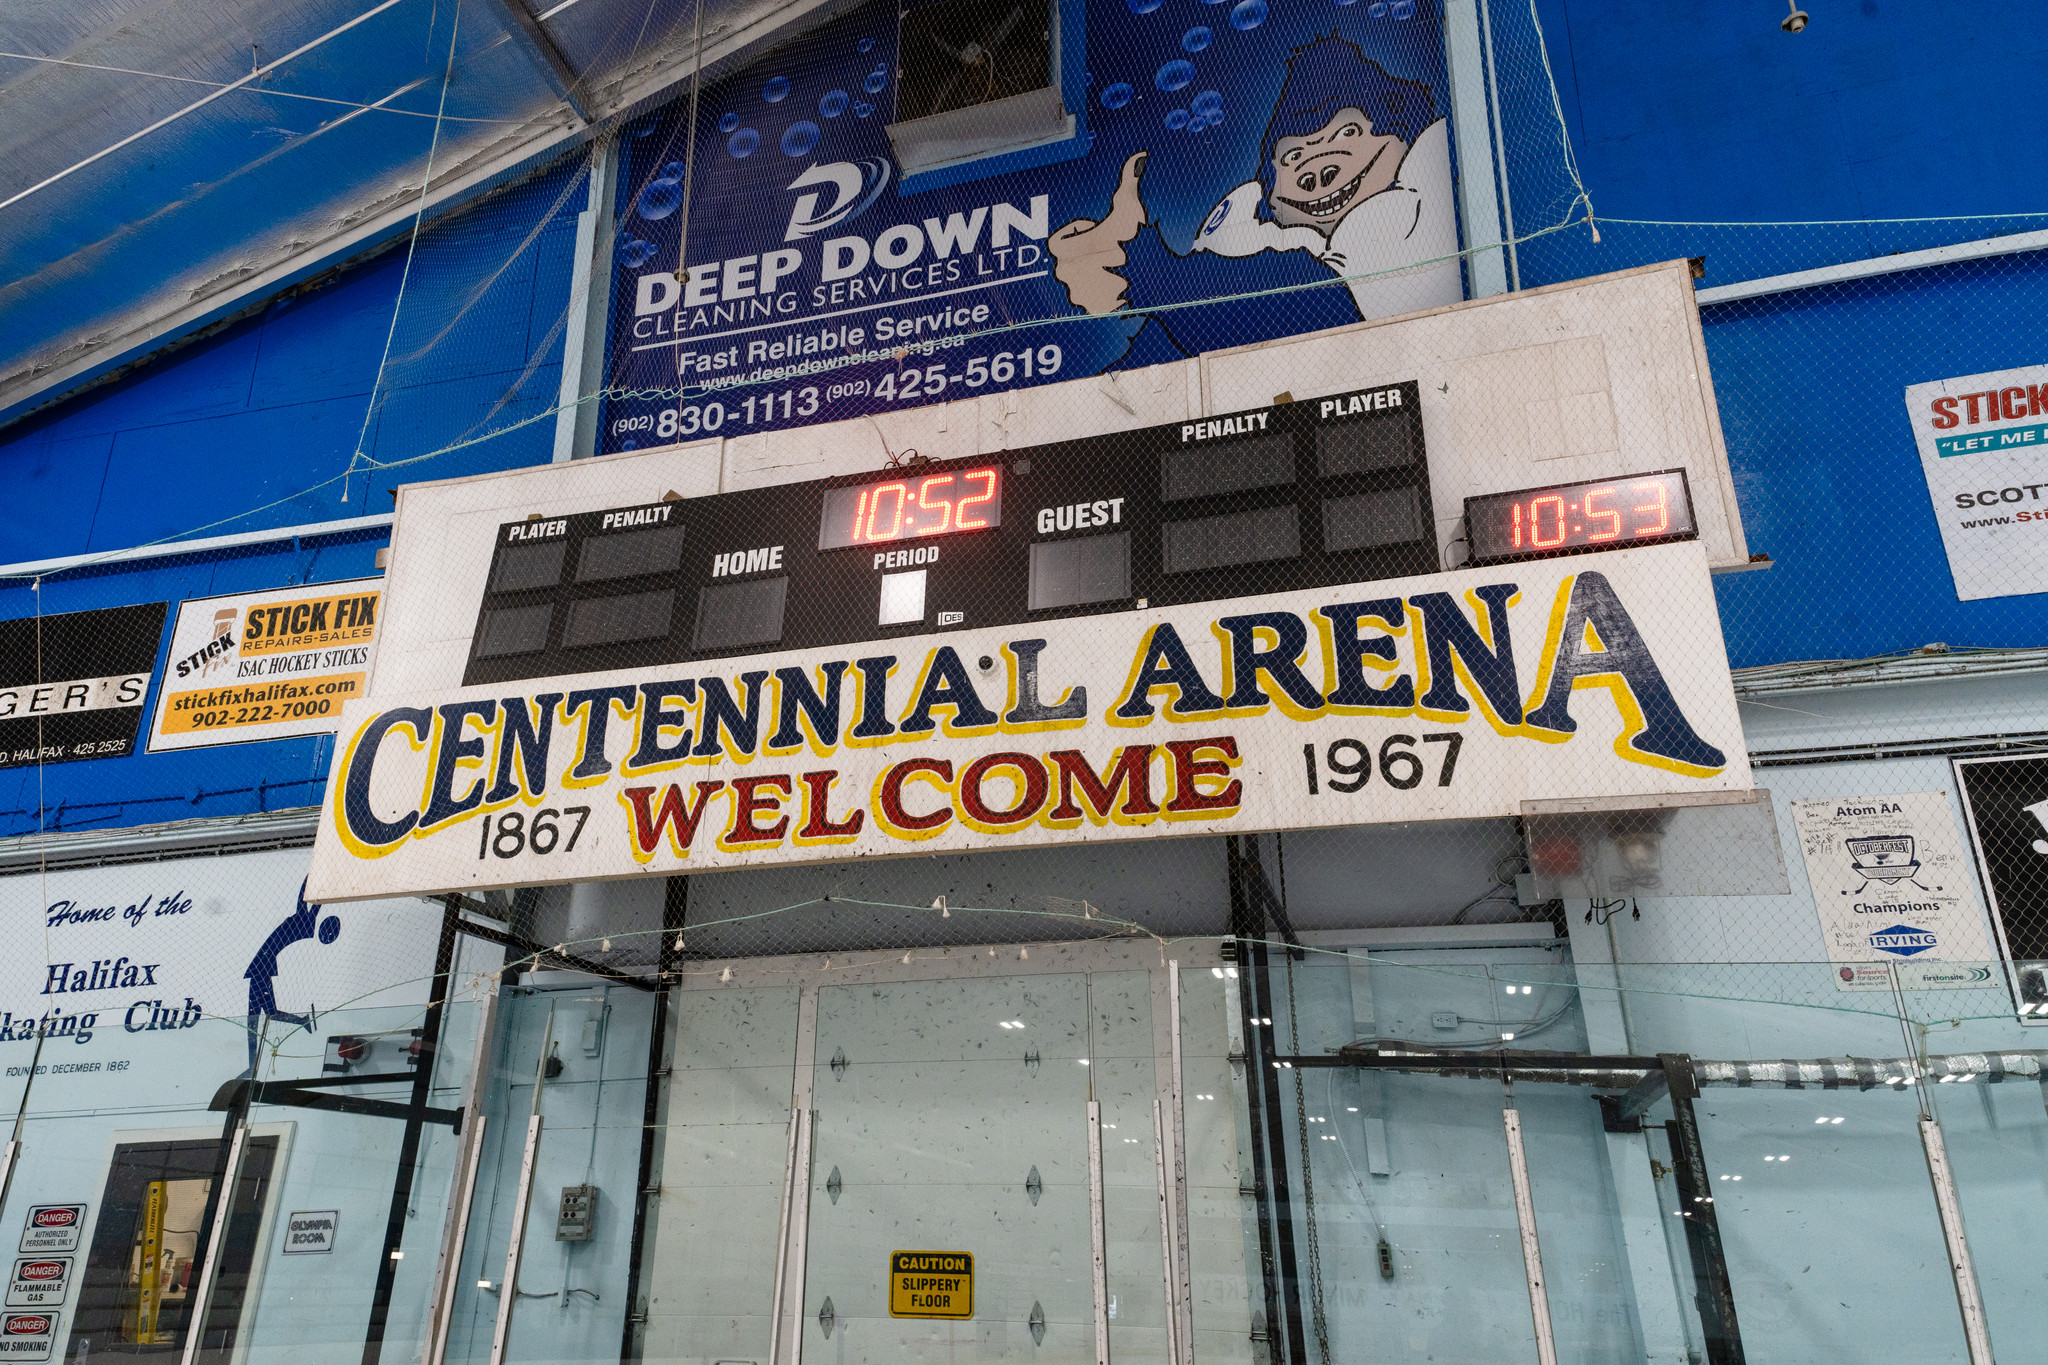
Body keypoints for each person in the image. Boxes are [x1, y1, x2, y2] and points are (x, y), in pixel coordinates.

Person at [1049, 35, 1461, 359]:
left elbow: (1318, 305)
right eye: (1294, 155)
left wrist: (1148, 269)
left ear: (1400, 134)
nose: (1316, 173)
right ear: (1271, 195)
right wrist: (1115, 269)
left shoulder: (1426, 187)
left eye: (1348, 133)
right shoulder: (1252, 240)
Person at [242, 880, 339, 1076]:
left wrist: (312, 879)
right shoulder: (308, 924)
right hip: (263, 966)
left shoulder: (307, 924)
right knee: (266, 1014)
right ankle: (300, 1022)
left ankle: (253, 1065)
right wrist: (313, 877)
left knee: (256, 1017)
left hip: (263, 968)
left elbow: (309, 903)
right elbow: (309, 901)